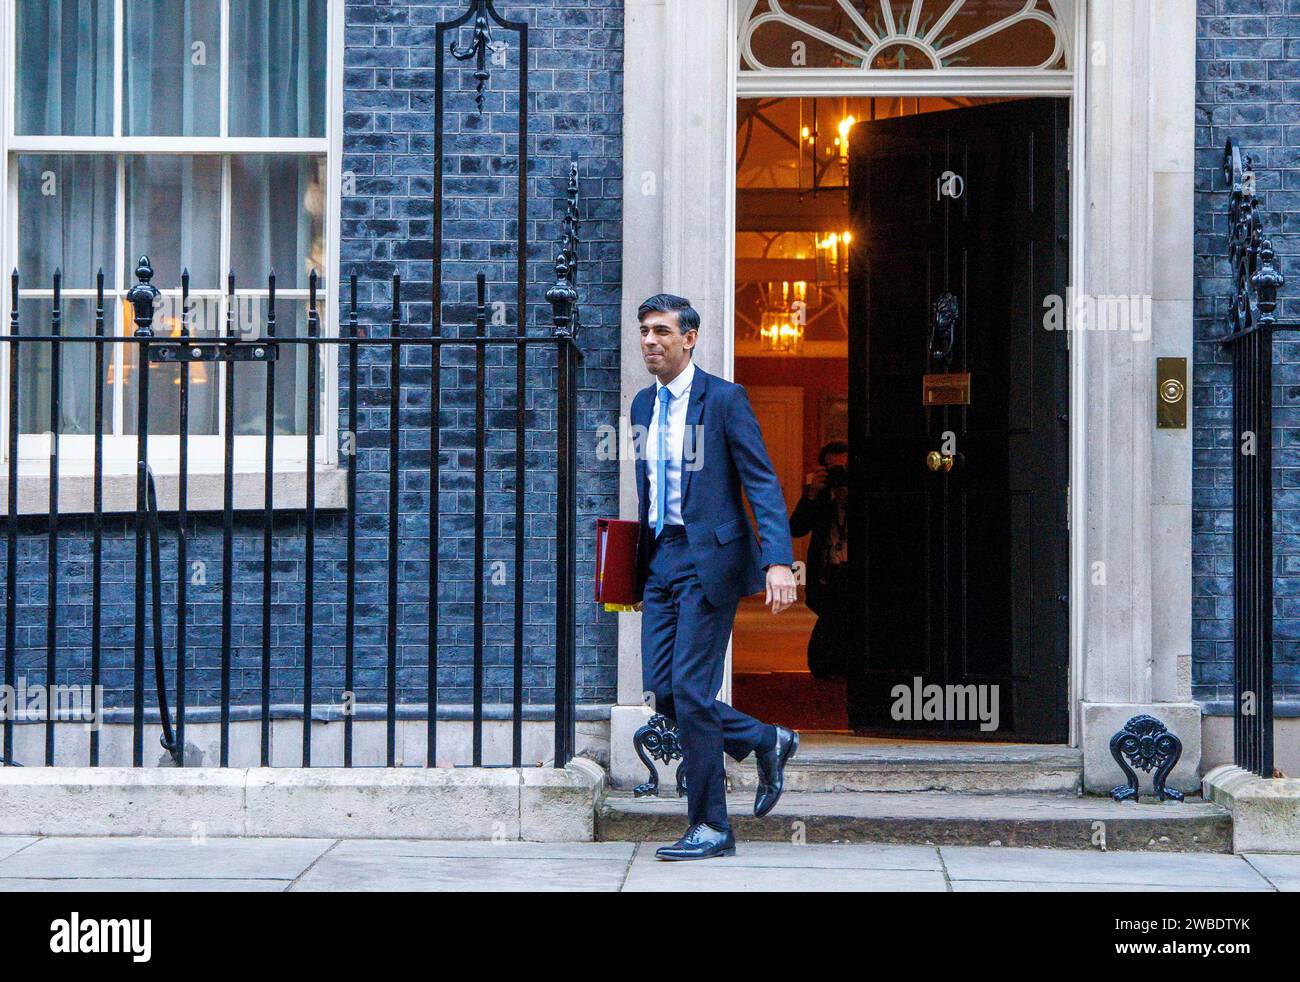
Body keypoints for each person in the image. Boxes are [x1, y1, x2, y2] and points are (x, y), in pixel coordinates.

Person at [632, 293, 799, 862]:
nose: (650, 341)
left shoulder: (725, 400)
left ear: (690, 338)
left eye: (661, 331)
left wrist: (778, 559)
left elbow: (762, 482)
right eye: (644, 332)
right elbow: (650, 491)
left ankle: (711, 826)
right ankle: (763, 739)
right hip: (659, 562)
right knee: (663, 690)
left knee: (693, 692)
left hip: (710, 563)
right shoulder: (639, 406)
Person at [789, 441, 852, 679]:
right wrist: (812, 494)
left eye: (844, 469)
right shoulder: (821, 498)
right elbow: (796, 528)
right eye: (833, 470)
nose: (840, 475)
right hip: (827, 577)